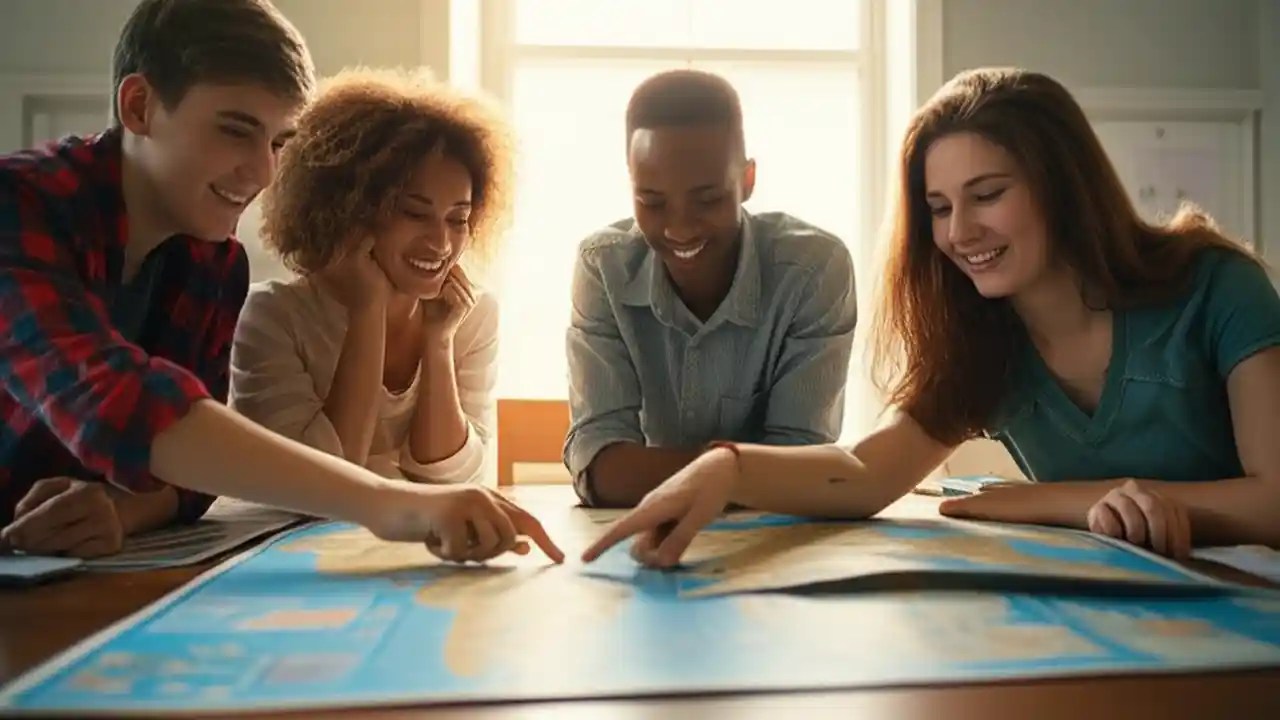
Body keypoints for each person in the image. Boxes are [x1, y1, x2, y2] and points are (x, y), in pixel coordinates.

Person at [583, 67, 1280, 566]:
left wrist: (1065, 500)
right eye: (940, 208)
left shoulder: (1217, 286)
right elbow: (861, 472)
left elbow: (1274, 500)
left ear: (1063, 187)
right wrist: (725, 468)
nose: (960, 233)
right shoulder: (984, 338)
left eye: (988, 194)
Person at [0, 0, 561, 565]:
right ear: (140, 106)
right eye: (236, 131)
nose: (264, 173)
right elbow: (114, 395)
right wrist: (393, 505)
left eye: (277, 143)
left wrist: (120, 511)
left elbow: (196, 479)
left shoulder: (213, 263)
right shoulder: (17, 205)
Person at [564, 69, 857, 509]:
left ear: (748, 180)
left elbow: (802, 465)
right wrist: (756, 474)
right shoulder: (602, 267)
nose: (679, 227)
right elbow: (601, 469)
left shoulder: (814, 269)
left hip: (771, 544)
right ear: (630, 184)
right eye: (652, 201)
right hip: (646, 535)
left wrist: (646, 470)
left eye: (708, 200)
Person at [231, 68, 507, 486]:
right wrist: (368, 310)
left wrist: (439, 342)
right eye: (415, 213)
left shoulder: (470, 314)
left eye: (459, 219)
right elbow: (318, 484)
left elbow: (452, 479)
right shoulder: (271, 317)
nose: (441, 243)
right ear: (350, 209)